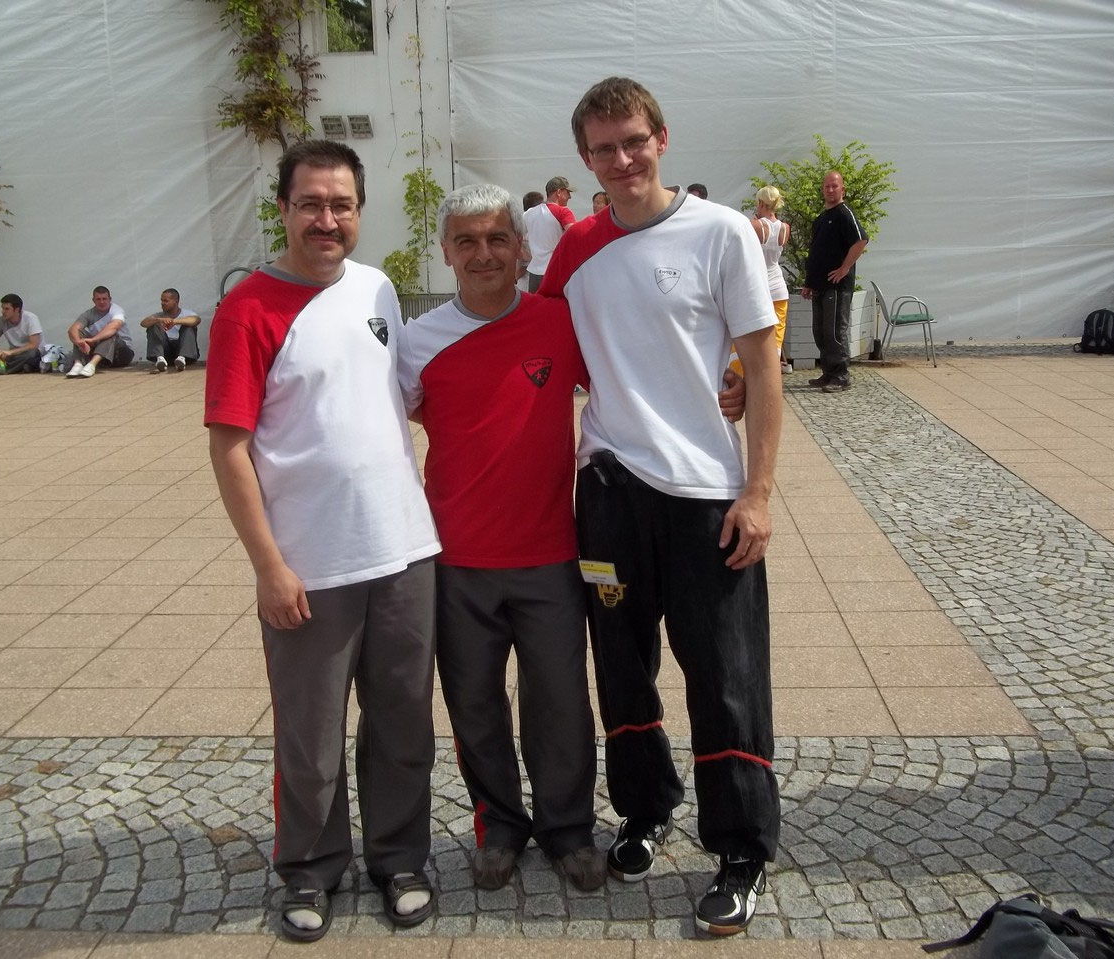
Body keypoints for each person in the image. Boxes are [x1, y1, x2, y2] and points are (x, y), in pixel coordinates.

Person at [540, 76, 784, 937]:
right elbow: (534, 349)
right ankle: (645, 809)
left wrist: (757, 492)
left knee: (724, 675)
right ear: (584, 160)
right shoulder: (574, 251)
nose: (622, 159)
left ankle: (743, 848)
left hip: (705, 497)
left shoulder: (721, 234)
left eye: (633, 140)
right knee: (623, 668)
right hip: (608, 493)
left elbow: (761, 368)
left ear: (662, 137)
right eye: (603, 149)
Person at [205, 139, 440, 941]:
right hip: (310, 563)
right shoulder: (249, 308)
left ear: (358, 211)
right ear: (283, 208)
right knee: (309, 736)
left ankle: (401, 857)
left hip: (405, 549)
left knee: (404, 719)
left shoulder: (377, 289)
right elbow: (229, 447)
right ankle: (309, 869)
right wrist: (269, 564)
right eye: (311, 203)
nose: (327, 219)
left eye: (341, 204)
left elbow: (404, 394)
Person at [398, 183, 604, 893]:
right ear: (447, 252)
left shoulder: (559, 322)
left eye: (496, 239)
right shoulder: (417, 340)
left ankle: (569, 827)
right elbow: (389, 424)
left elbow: (633, 375)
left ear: (522, 247)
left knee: (562, 701)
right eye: (467, 240)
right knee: (475, 703)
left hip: (550, 552)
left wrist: (728, 381)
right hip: (456, 560)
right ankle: (499, 825)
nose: (483, 253)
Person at [801, 171, 868, 393]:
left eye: (834, 186)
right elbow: (817, 252)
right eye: (827, 187)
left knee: (834, 331)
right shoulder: (821, 218)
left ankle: (840, 375)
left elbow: (861, 240)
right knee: (820, 331)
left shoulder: (845, 214)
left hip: (837, 287)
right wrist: (809, 282)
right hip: (819, 285)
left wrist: (844, 268)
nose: (830, 190)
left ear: (842, 189)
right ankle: (828, 372)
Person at [750, 186, 792, 374]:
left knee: (753, 333)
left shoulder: (757, 225)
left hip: (758, 285)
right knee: (777, 335)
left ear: (760, 203)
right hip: (778, 286)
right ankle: (772, 373)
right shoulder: (785, 228)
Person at [522, 176, 576, 293]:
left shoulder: (529, 213)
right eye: (567, 193)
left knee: (536, 308)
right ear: (559, 192)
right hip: (556, 270)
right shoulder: (564, 211)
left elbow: (514, 236)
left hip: (534, 272)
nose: (570, 197)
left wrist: (526, 255)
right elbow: (574, 235)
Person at [65, 286, 133, 378]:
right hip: (101, 353)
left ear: (110, 299)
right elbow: (73, 329)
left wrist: (93, 340)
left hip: (121, 354)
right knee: (79, 333)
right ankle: (78, 364)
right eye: (98, 299)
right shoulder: (89, 314)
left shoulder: (117, 310)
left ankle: (92, 365)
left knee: (111, 334)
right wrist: (79, 342)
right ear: (93, 300)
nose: (102, 302)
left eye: (104, 299)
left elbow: (114, 326)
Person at [140, 288, 200, 373]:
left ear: (176, 301)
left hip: (183, 350)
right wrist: (159, 320)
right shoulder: (159, 315)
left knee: (189, 327)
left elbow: (196, 320)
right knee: (152, 326)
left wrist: (174, 321)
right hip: (166, 351)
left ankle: (182, 359)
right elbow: (143, 323)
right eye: (161, 301)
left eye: (166, 301)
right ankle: (160, 359)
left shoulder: (187, 313)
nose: (162, 303)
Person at [0, 293, 42, 373]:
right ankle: (19, 367)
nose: (3, 312)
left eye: (7, 309)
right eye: (2, 308)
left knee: (32, 354)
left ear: (16, 309)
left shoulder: (30, 318)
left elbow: (33, 345)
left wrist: (11, 352)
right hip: (13, 356)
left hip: (28, 353)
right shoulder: (1, 321)